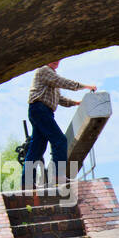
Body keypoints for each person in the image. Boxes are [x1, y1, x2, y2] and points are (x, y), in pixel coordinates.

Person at [25, 60, 96, 189]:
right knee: (60, 140)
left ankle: (27, 183)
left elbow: (60, 99)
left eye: (58, 59)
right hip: (40, 109)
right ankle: (59, 175)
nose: (56, 61)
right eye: (54, 59)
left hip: (42, 111)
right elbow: (63, 82)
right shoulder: (44, 70)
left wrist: (75, 103)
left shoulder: (51, 78)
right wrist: (85, 86)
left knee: (37, 149)